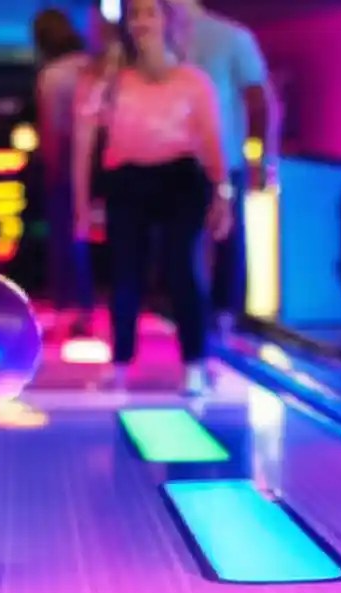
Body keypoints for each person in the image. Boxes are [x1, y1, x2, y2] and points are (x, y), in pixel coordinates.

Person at [73, 0, 230, 395]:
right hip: (127, 181)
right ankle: (120, 362)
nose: (142, 22)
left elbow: (211, 141)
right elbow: (84, 145)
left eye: (150, 13)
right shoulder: (110, 80)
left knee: (182, 268)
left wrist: (222, 193)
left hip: (180, 179)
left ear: (167, 21)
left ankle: (195, 362)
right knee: (125, 273)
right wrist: (81, 204)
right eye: (135, 14)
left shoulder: (193, 81)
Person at [167, 0, 277, 335]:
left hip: (222, 159)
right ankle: (206, 318)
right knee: (190, 242)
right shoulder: (164, 41)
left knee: (222, 240)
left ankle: (221, 317)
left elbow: (259, 102)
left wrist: (260, 158)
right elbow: (259, 102)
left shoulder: (229, 38)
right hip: (179, 160)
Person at [33, 9, 96, 339]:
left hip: (68, 163)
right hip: (105, 164)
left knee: (66, 235)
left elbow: (52, 131)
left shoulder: (53, 76)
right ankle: (87, 307)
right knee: (87, 233)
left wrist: (52, 171)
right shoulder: (92, 67)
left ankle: (68, 308)